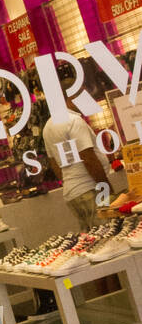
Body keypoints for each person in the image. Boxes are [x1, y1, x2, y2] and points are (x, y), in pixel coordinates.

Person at [43, 95, 111, 232]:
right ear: (71, 98)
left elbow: (54, 163)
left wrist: (70, 181)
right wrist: (106, 189)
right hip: (89, 189)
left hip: (73, 192)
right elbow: (88, 158)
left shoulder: (48, 126)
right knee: (108, 233)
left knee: (92, 238)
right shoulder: (74, 121)